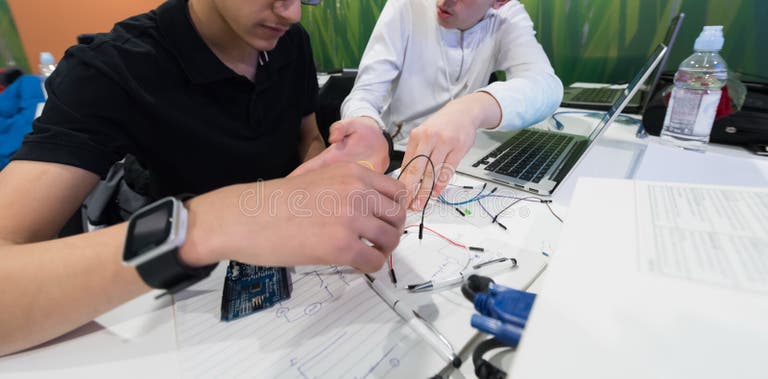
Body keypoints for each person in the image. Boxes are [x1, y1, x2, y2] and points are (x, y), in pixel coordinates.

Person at [0, 0, 405, 356]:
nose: (293, 12)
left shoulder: (290, 41)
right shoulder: (112, 67)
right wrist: (205, 224)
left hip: (302, 293)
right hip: (195, 307)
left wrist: (326, 166)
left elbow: (307, 136)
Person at [302, 0, 563, 210]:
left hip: (463, 160)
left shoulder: (508, 18)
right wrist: (364, 122)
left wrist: (474, 108)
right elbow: (365, 93)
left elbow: (547, 85)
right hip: (399, 155)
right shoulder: (406, 6)